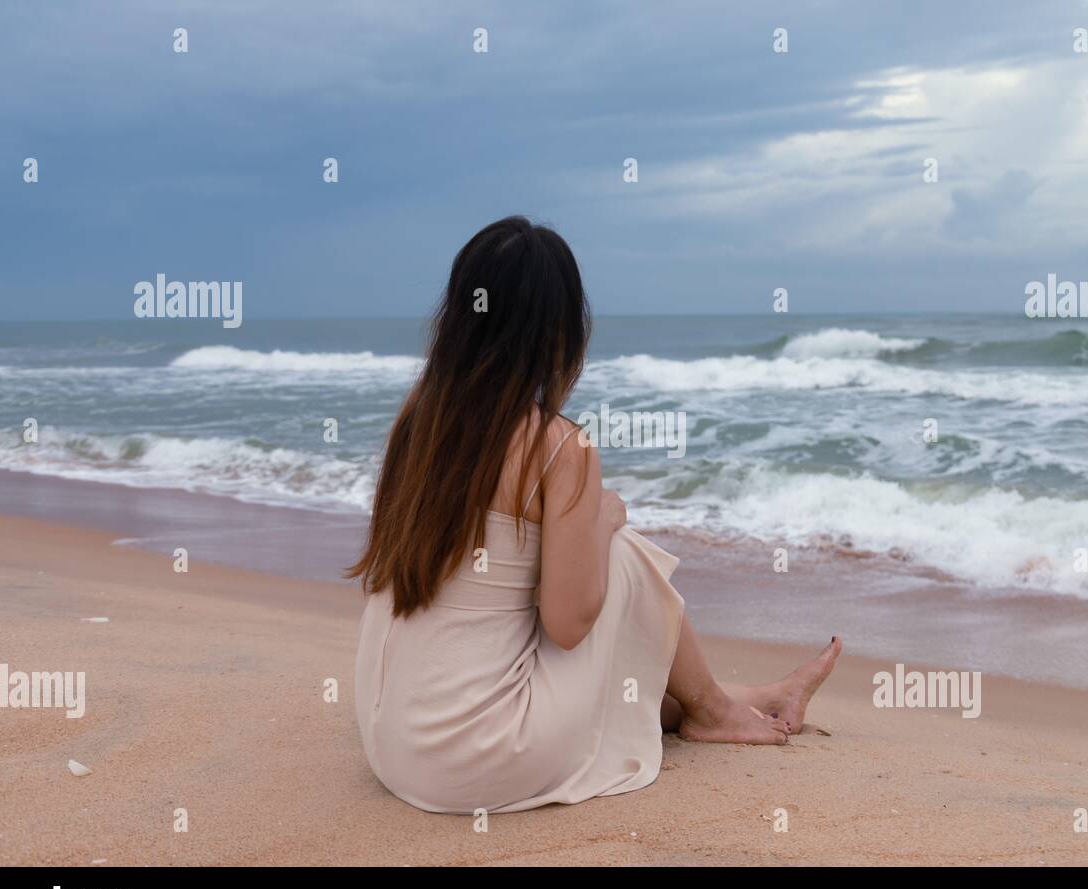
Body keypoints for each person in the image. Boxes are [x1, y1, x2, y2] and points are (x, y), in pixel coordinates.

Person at [350, 216, 841, 813]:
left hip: (395, 746)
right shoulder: (557, 445)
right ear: (559, 332)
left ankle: (748, 696)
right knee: (624, 553)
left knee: (590, 611)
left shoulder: (416, 426)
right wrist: (602, 524)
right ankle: (713, 711)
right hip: (476, 763)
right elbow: (568, 624)